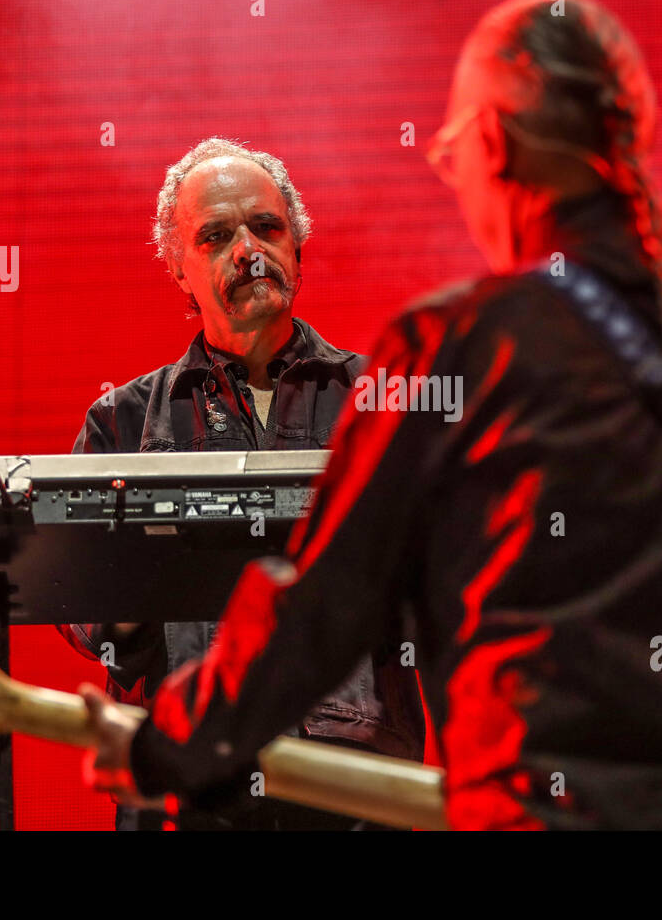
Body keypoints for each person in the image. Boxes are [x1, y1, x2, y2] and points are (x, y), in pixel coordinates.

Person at [81, 0, 662, 829]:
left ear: (490, 146)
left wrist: (165, 746)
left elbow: (323, 612)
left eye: (454, 156)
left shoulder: (452, 351)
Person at [61, 137, 423, 829]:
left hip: (358, 777)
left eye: (266, 227)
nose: (249, 250)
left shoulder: (383, 401)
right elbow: (86, 621)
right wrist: (144, 574)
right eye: (217, 236)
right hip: (191, 786)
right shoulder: (122, 419)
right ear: (178, 270)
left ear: (298, 246)